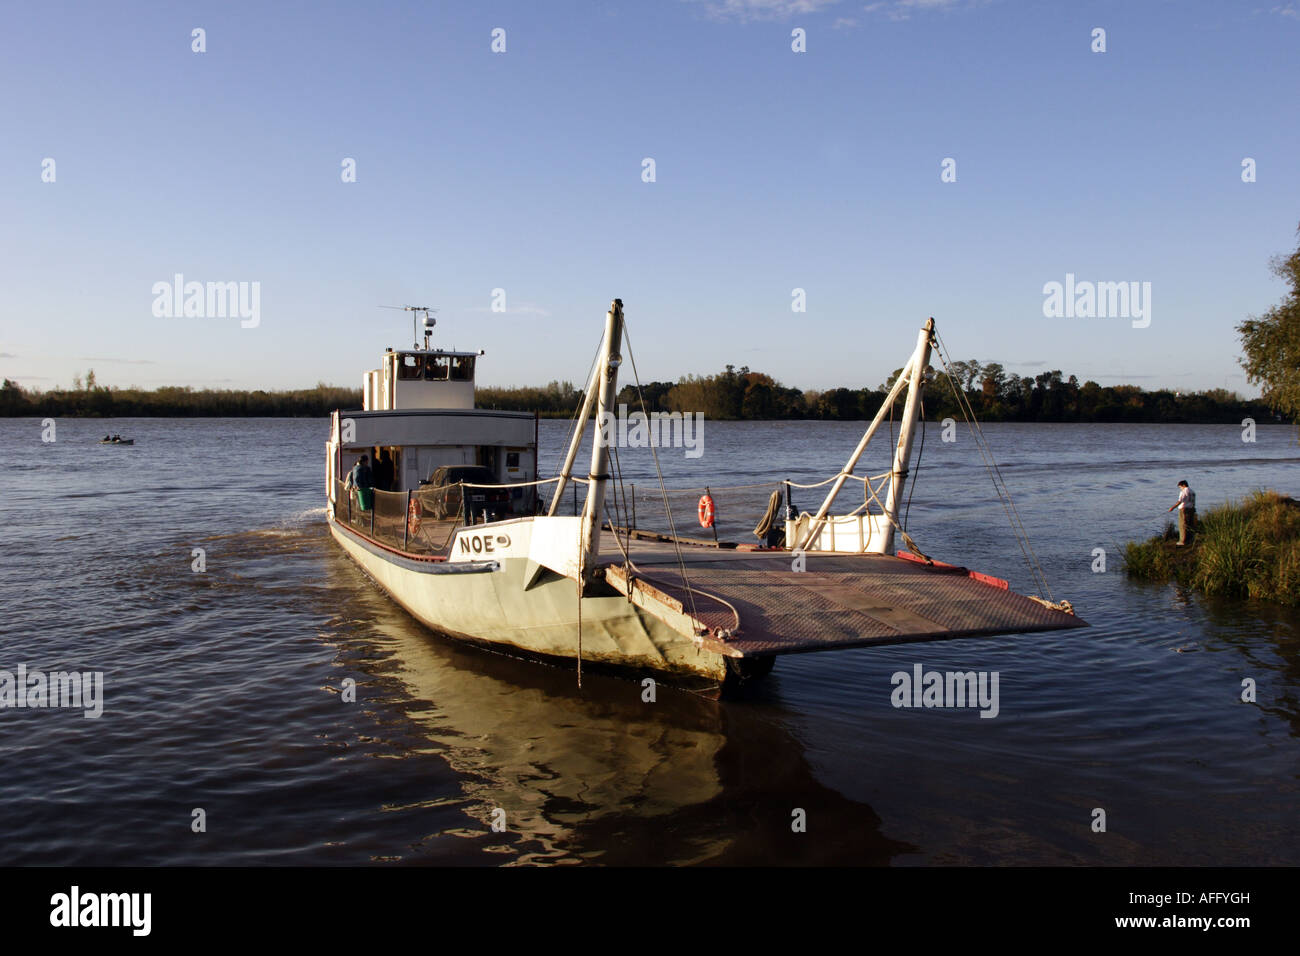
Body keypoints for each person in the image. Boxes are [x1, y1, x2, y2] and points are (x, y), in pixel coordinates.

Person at [1167, 479, 1196, 546]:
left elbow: (1179, 501)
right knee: (1189, 525)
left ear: (1183, 485)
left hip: (1184, 510)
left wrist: (1172, 508)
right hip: (1191, 509)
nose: (1180, 488)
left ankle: (1182, 541)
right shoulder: (1192, 492)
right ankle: (1190, 540)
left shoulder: (1184, 491)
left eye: (1180, 487)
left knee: (1182, 525)